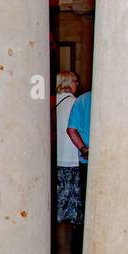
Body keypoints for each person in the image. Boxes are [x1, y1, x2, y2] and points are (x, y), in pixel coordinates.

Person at [55, 71, 82, 223]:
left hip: (56, 155)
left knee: (59, 192)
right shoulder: (75, 102)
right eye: (74, 81)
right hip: (71, 155)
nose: (77, 84)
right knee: (72, 194)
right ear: (66, 83)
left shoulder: (51, 101)